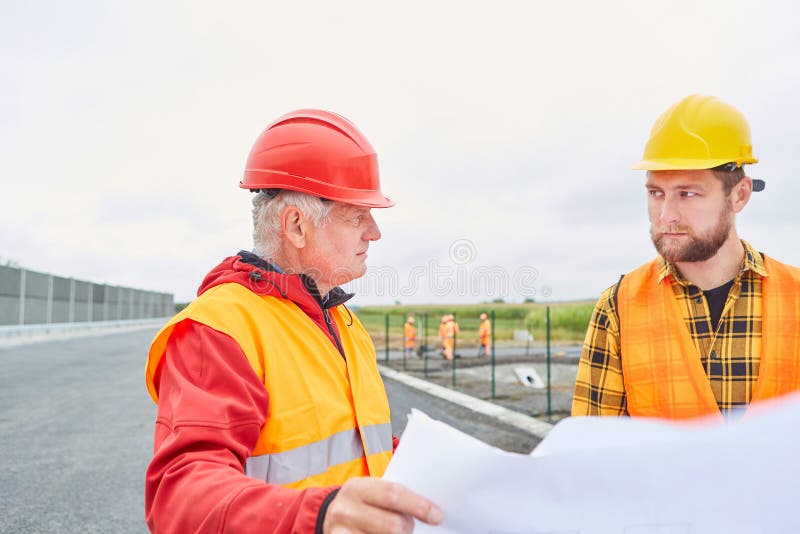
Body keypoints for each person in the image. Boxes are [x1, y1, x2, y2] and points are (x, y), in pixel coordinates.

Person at [144, 109, 443, 533]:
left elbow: (357, 450)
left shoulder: (341, 321)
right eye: (357, 215)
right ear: (297, 225)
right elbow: (181, 497)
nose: (374, 232)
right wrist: (318, 517)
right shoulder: (220, 330)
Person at [572, 94, 800, 421]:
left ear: (740, 195)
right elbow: (589, 456)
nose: (666, 215)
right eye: (656, 193)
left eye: (687, 193)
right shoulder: (617, 308)